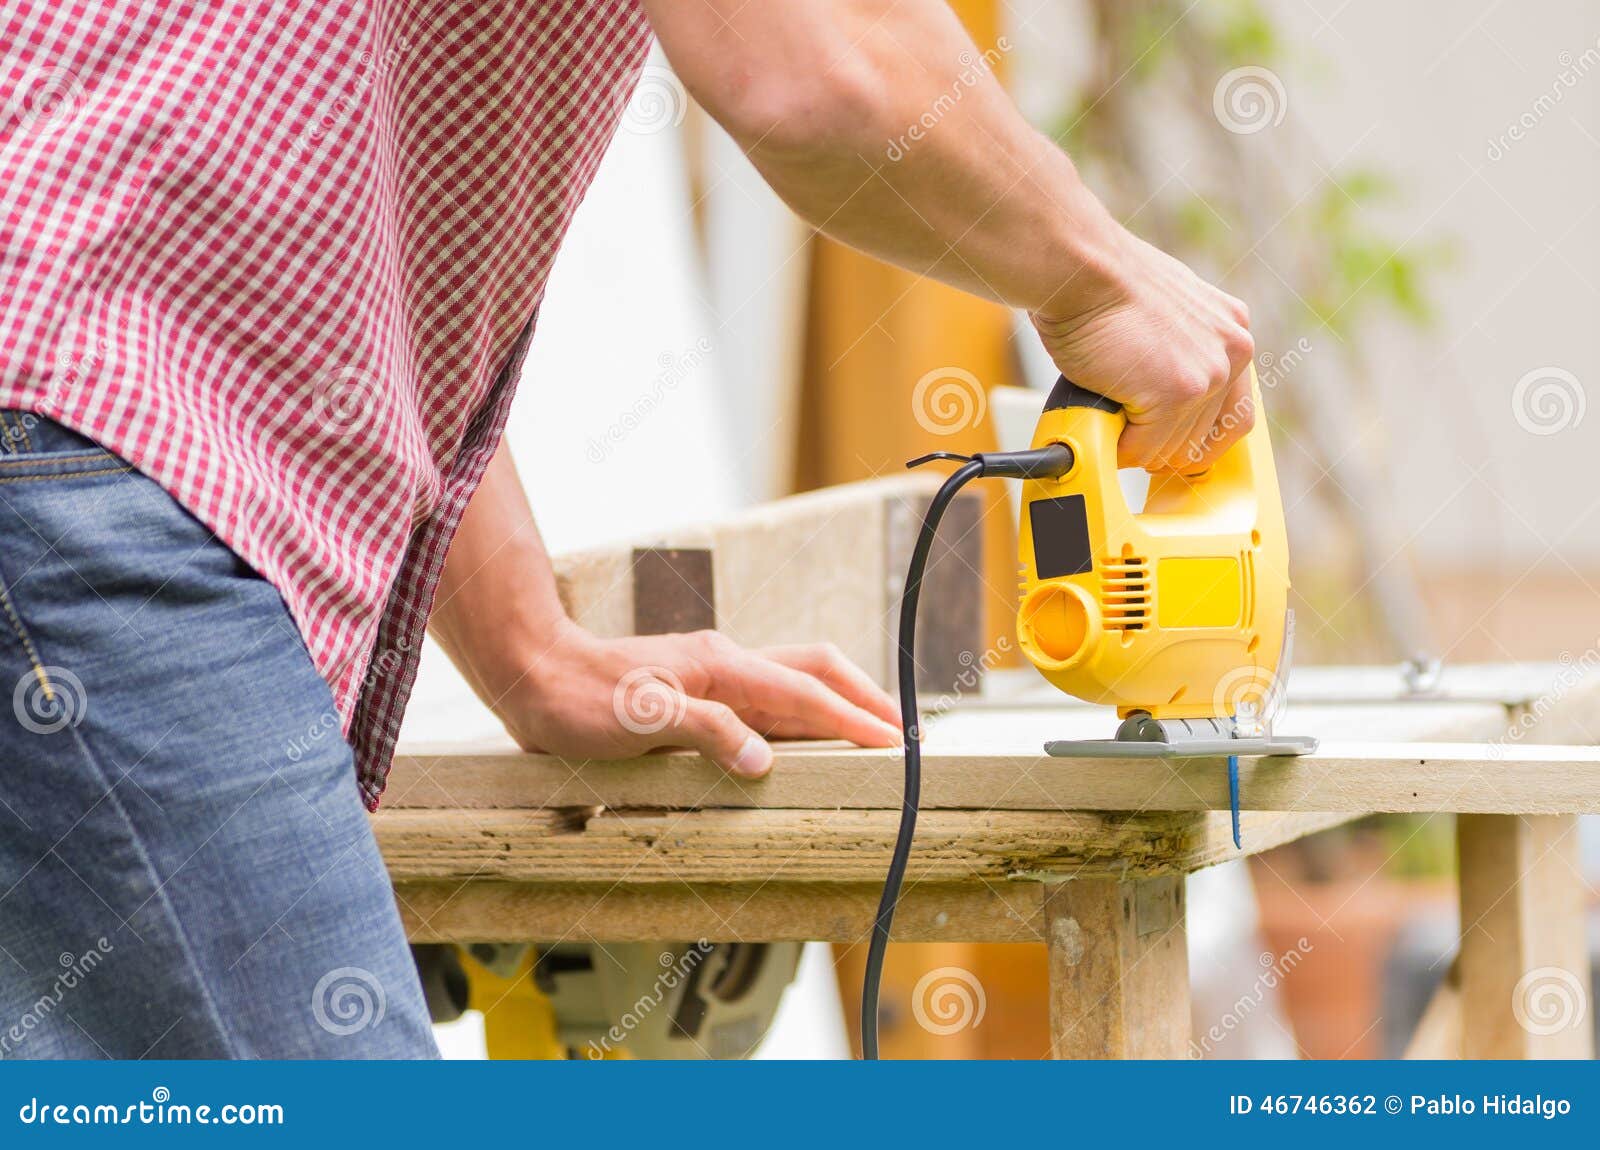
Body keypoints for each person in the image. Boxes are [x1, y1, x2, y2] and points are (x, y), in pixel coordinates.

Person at [0, 0, 1253, 1058]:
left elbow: (294, 274)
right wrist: (1103, 279)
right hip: (68, 455)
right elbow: (810, 64)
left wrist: (523, 643)